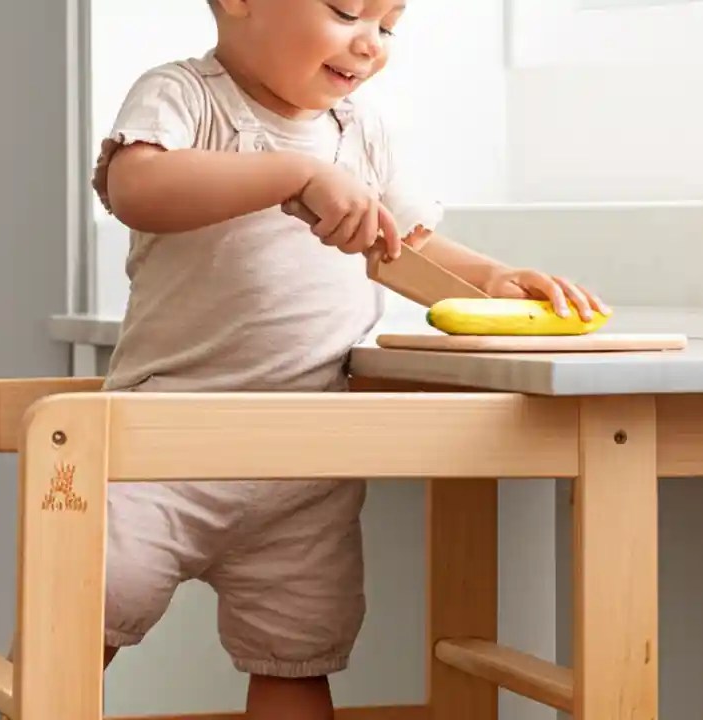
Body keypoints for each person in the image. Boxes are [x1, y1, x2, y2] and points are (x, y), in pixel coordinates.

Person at [89, 1, 608, 718]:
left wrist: (490, 279)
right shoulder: (184, 93)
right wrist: (290, 174)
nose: (370, 45)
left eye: (388, 26)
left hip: (305, 468)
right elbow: (136, 189)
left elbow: (406, 246)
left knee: (297, 659)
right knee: (81, 624)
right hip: (161, 452)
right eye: (346, 11)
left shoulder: (358, 134)